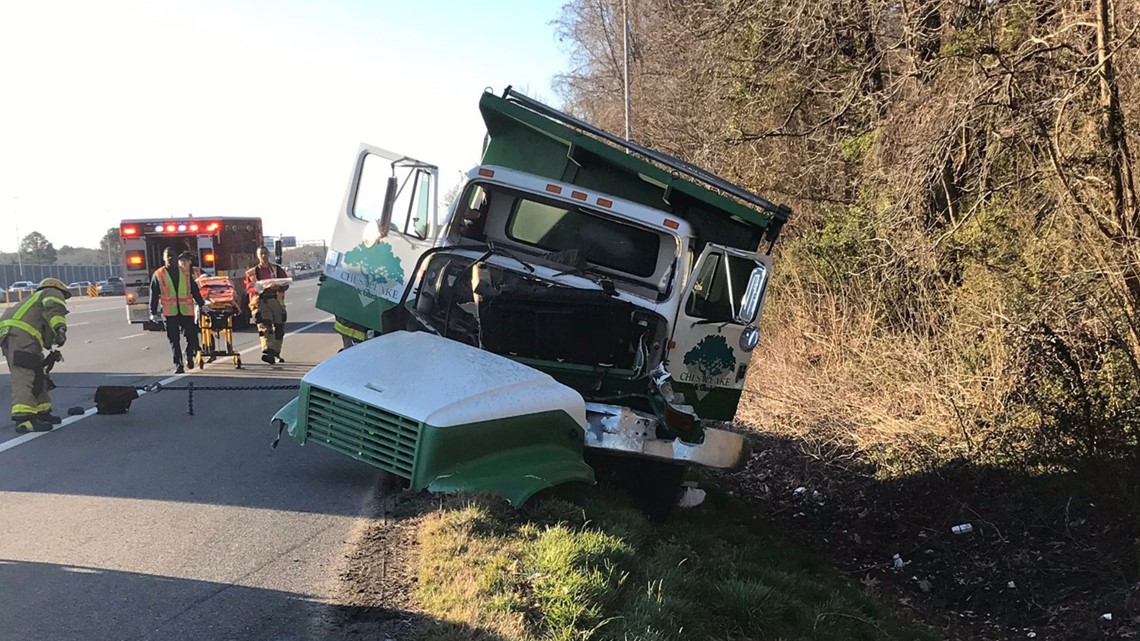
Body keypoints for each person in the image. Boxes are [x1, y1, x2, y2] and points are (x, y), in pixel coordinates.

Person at [0, 278, 70, 433]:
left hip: (15, 337)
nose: (63, 299)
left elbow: (43, 330)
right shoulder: (51, 292)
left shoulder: (31, 300)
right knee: (24, 376)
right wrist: (60, 329)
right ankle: (24, 419)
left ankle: (43, 412)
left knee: (38, 373)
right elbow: (55, 310)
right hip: (21, 337)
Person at [150, 248, 205, 374]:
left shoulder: (185, 273)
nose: (170, 258)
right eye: (168, 256)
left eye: (173, 256)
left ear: (177, 258)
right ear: (164, 258)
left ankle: (189, 354)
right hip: (170, 313)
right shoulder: (159, 275)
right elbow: (153, 294)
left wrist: (202, 304)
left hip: (186, 311)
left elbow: (194, 290)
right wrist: (153, 312)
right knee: (174, 340)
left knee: (192, 336)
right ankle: (178, 365)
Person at [246, 246, 290, 364]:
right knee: (266, 327)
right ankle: (268, 351)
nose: (264, 256)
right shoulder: (252, 272)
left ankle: (276, 352)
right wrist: (260, 288)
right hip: (261, 302)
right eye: (261, 254)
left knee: (279, 328)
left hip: (276, 301)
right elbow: (249, 287)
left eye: (265, 253)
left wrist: (278, 286)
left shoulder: (276, 269)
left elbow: (286, 283)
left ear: (269, 254)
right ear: (258, 256)